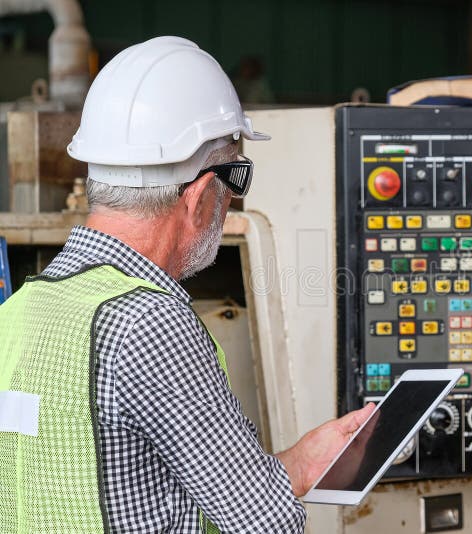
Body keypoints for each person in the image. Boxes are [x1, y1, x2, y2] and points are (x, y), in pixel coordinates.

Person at [0, 36, 374, 533]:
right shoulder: (149, 323)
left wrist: (298, 467)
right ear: (198, 198)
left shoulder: (19, 311)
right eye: (233, 180)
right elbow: (267, 524)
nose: (231, 202)